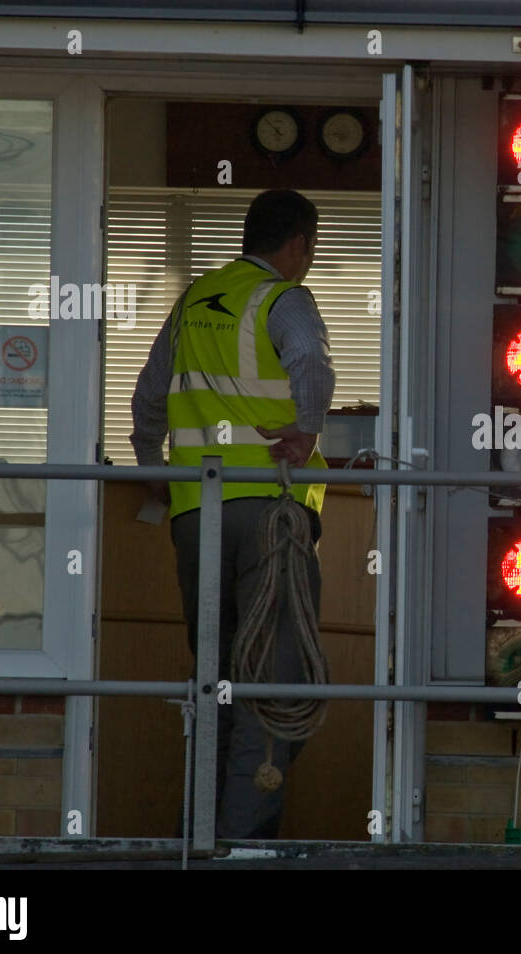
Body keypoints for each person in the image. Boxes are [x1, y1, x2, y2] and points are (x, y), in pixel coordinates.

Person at [129, 189, 336, 838]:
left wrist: (153, 469)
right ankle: (241, 846)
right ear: (297, 245)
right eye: (311, 249)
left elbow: (148, 397)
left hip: (197, 516)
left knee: (213, 683)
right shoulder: (282, 299)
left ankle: (202, 835)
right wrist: (305, 430)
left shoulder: (193, 300)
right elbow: (309, 358)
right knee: (272, 686)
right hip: (271, 515)